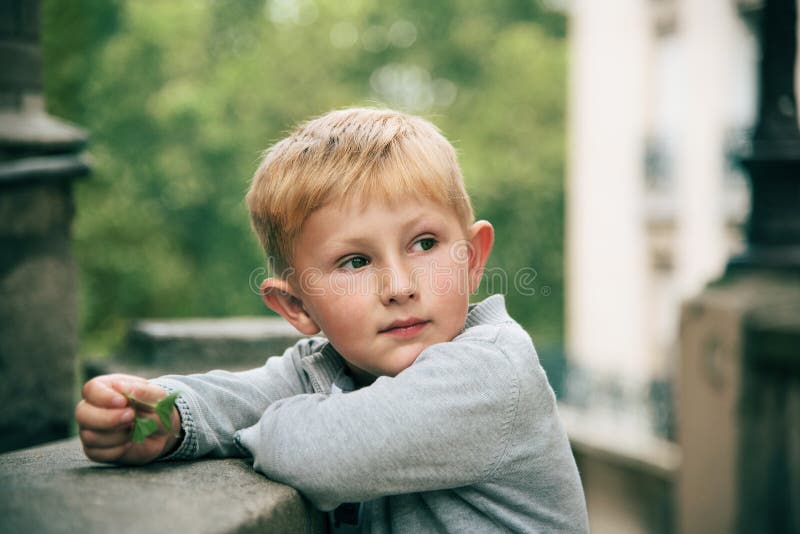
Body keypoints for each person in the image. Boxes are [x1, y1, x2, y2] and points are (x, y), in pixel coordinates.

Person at [76, 107, 589, 532]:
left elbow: (320, 454)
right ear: (297, 306)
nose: (400, 286)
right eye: (356, 262)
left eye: (425, 244)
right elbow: (240, 396)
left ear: (472, 258)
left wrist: (257, 429)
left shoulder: (493, 374)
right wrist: (166, 411)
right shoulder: (327, 368)